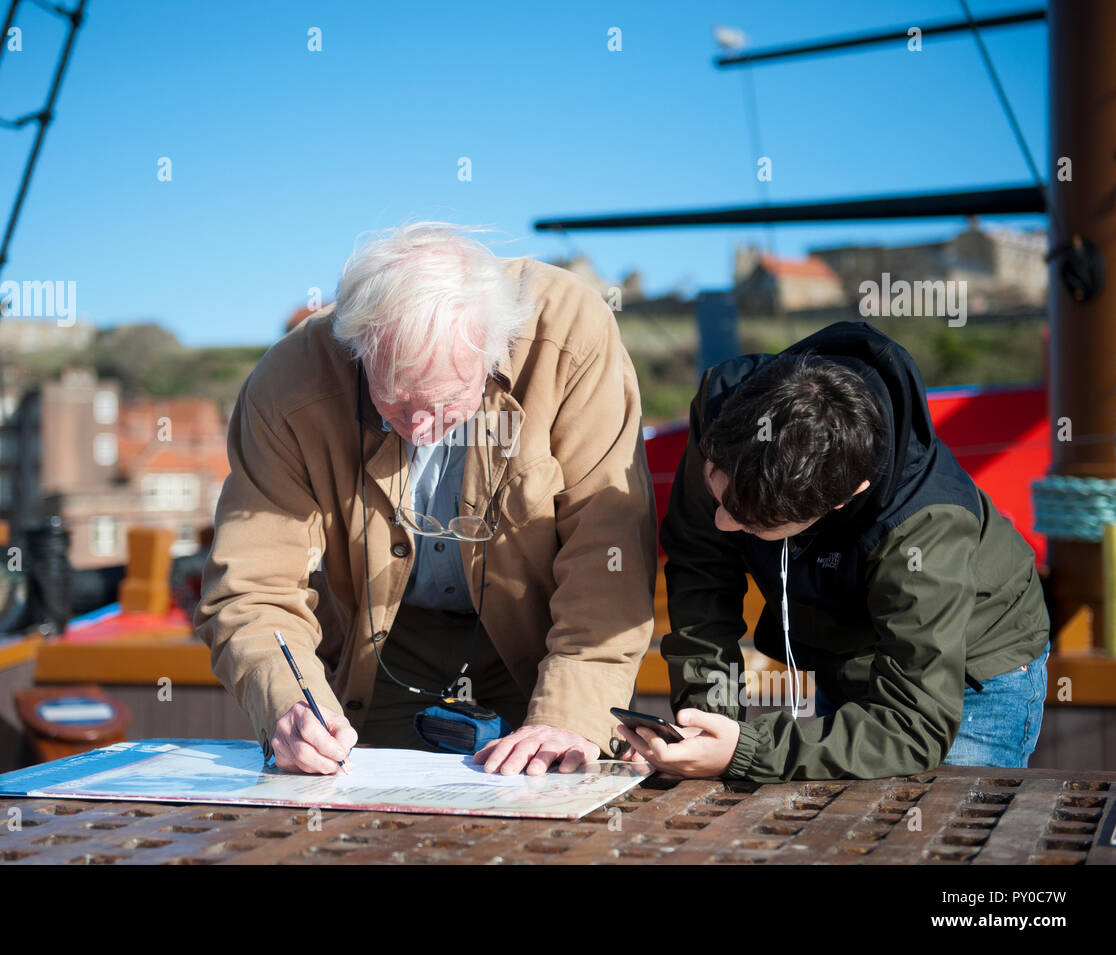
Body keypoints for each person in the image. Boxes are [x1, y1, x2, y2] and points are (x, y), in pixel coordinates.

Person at [195, 221, 657, 776]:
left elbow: (606, 552)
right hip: (381, 647)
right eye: (393, 401)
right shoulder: (287, 384)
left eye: (442, 403)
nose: (418, 429)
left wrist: (569, 715)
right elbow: (253, 587)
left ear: (493, 351)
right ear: (358, 349)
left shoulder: (572, 337)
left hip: (542, 632)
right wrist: (288, 706)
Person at [620, 320, 1051, 783]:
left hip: (969, 674)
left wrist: (745, 751)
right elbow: (701, 564)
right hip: (842, 654)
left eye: (751, 521)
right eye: (717, 492)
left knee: (922, 841)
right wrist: (702, 728)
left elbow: (914, 726)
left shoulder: (927, 528)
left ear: (843, 497)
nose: (723, 522)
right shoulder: (726, 411)